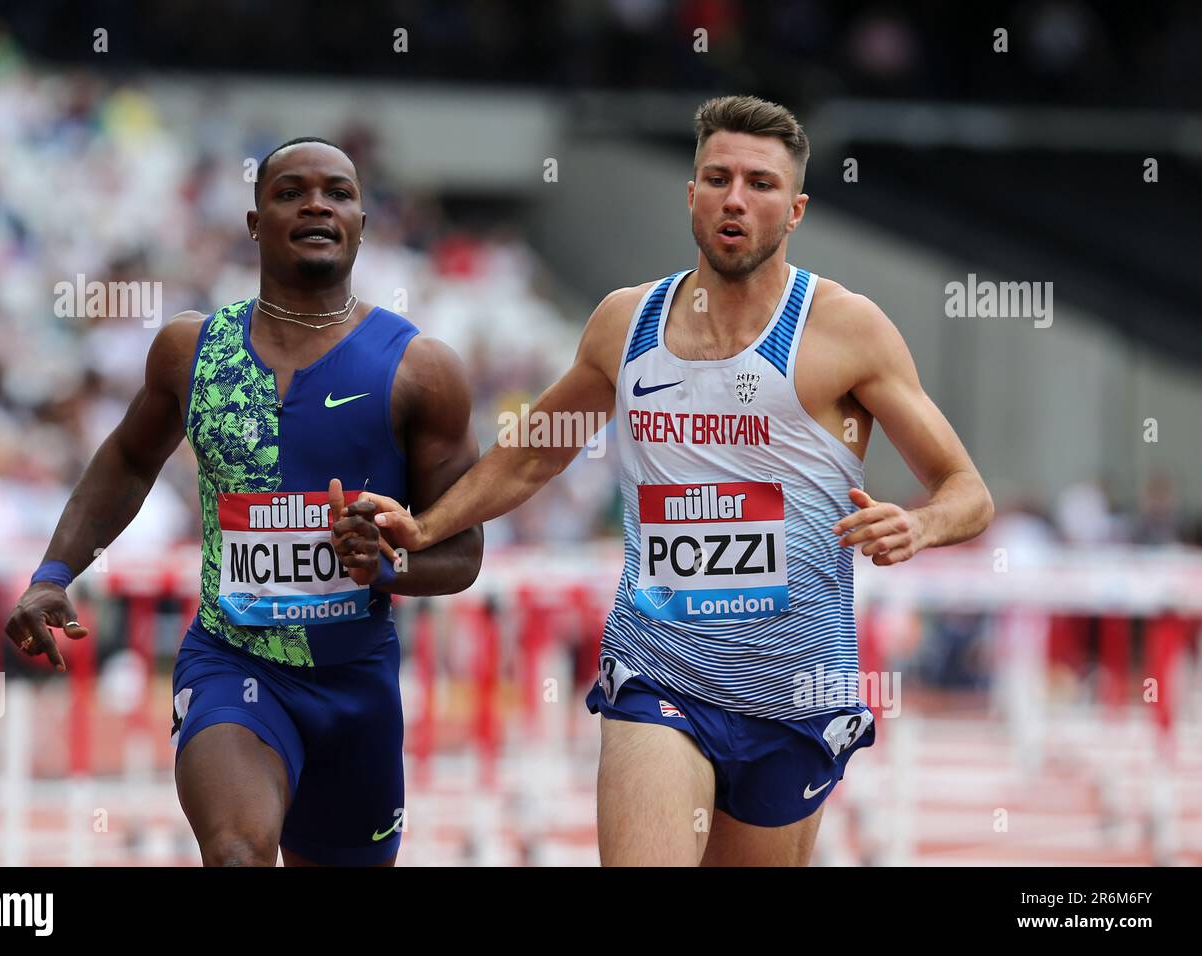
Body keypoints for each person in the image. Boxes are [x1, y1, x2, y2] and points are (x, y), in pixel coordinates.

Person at [367, 96, 994, 866]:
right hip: (659, 674)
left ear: (794, 210)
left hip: (793, 695)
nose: (736, 198)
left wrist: (920, 524)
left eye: (760, 184)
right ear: (690, 194)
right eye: (717, 177)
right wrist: (426, 526)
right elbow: (534, 452)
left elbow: (968, 490)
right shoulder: (623, 324)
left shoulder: (846, 329)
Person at [3, 138, 483, 866]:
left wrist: (385, 566)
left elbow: (464, 554)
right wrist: (51, 573)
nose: (317, 203)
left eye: (339, 192)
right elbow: (130, 459)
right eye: (291, 191)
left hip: (356, 689)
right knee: (236, 852)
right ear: (256, 221)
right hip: (233, 663)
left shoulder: (421, 371)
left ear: (360, 221)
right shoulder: (192, 351)